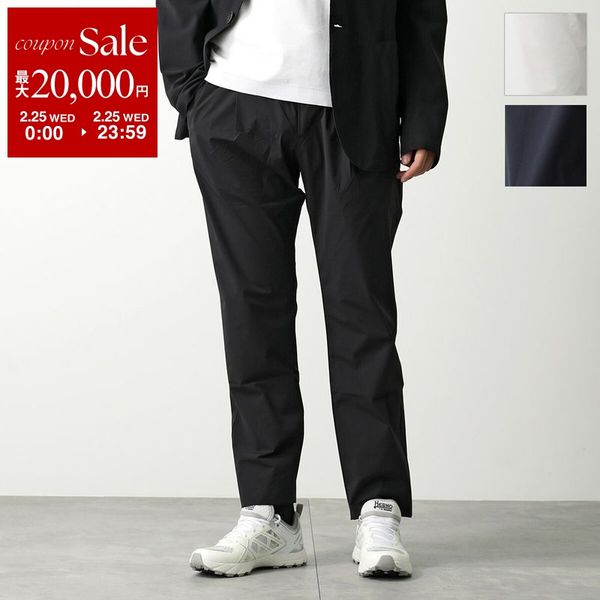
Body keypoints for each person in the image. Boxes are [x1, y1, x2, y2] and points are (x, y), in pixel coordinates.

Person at [157, 0, 448, 578]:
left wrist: (421, 117)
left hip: (358, 110)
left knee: (362, 313)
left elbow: (421, 10)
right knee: (252, 314)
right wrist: (189, 86)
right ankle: (267, 512)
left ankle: (378, 507)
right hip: (234, 103)